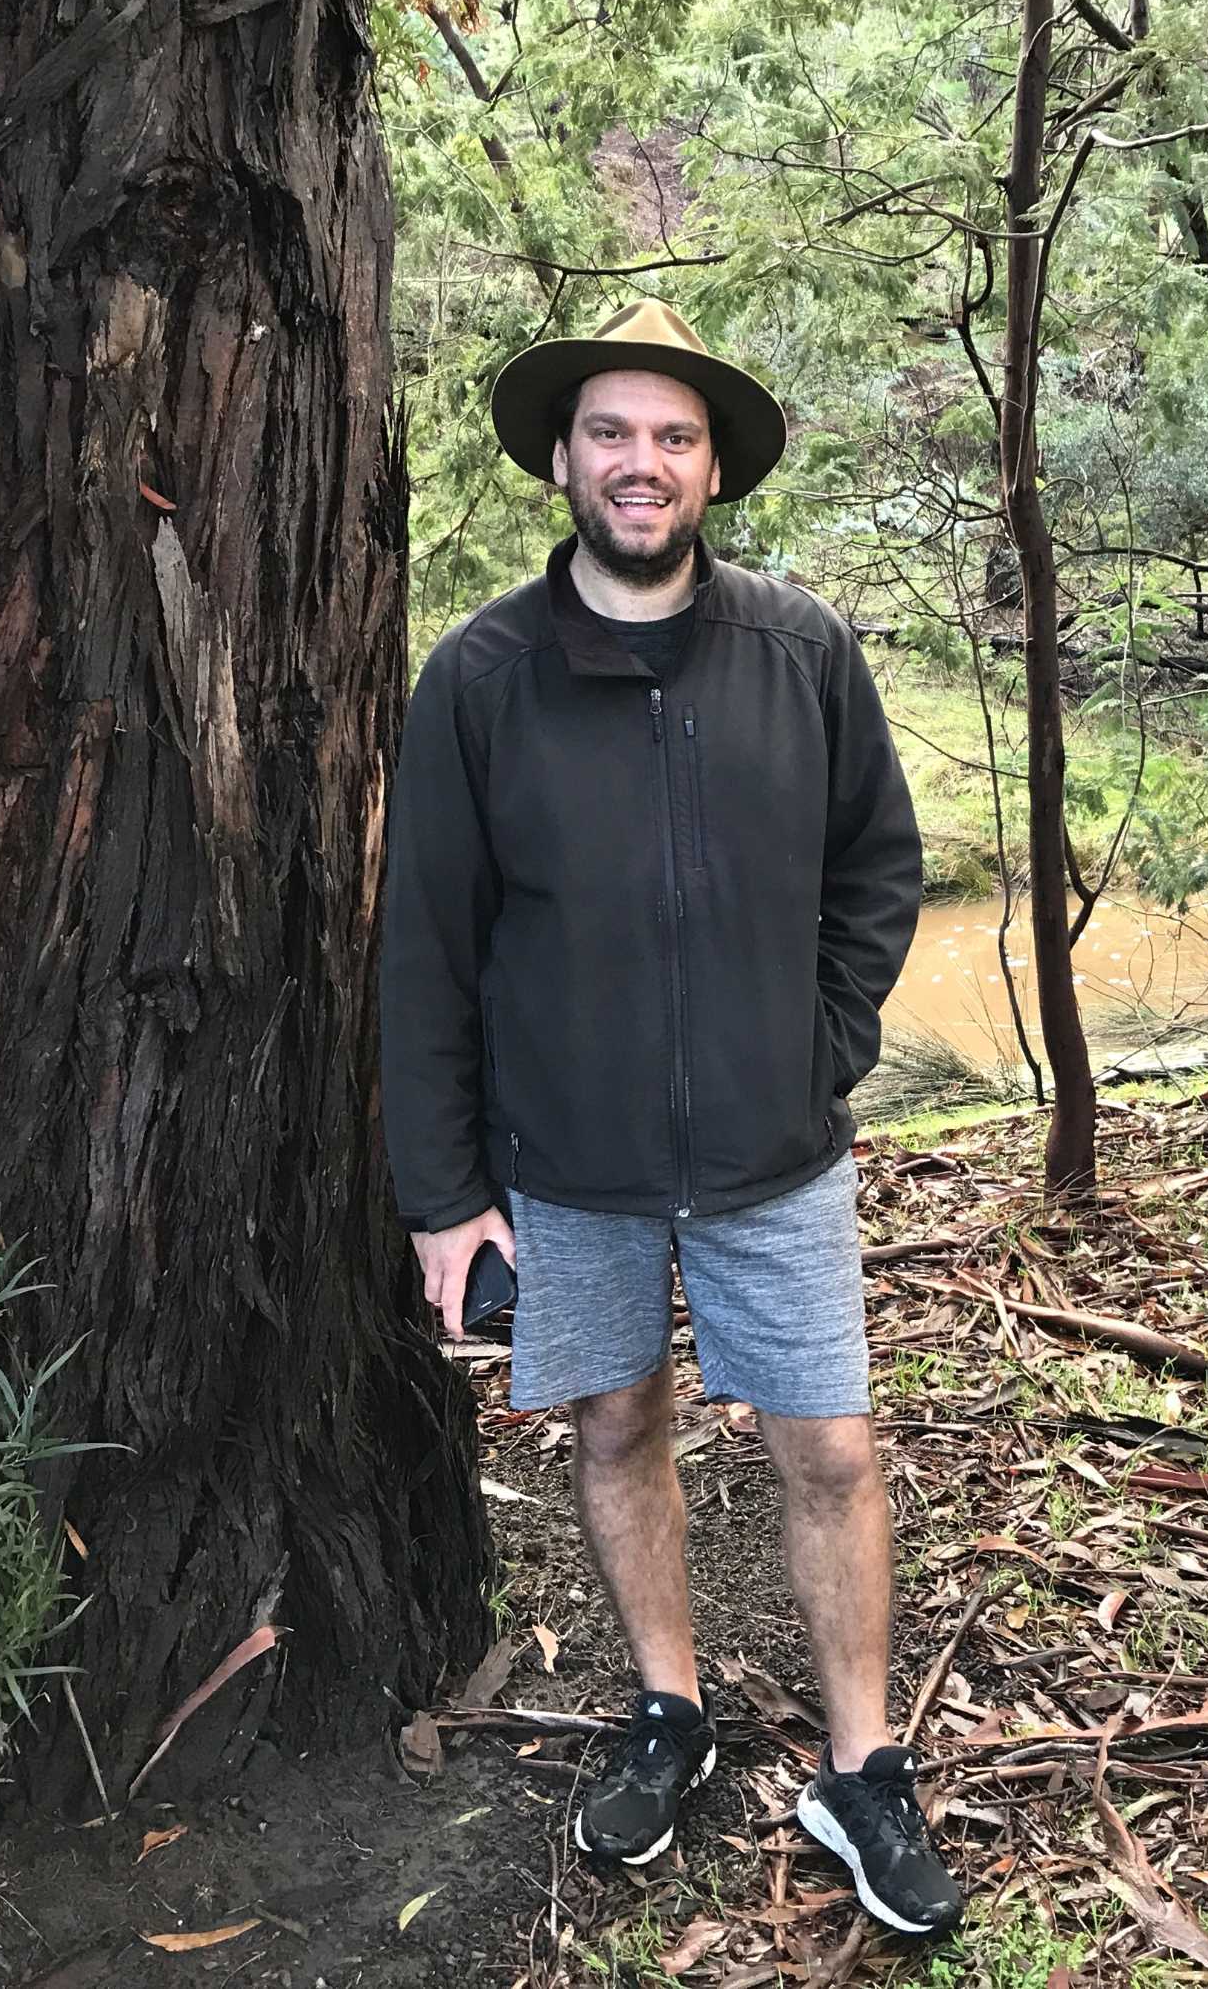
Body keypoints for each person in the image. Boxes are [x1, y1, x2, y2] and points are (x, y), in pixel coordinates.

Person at [379, 299, 961, 1937]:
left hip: (779, 1158)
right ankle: (668, 1708)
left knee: (830, 1451)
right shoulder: (482, 680)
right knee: (617, 1429)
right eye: (614, 433)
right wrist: (444, 1199)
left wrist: (818, 1045)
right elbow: (423, 951)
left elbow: (878, 871)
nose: (644, 463)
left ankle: (865, 1768)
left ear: (715, 469)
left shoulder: (802, 652)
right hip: (570, 1171)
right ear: (564, 458)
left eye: (675, 437)